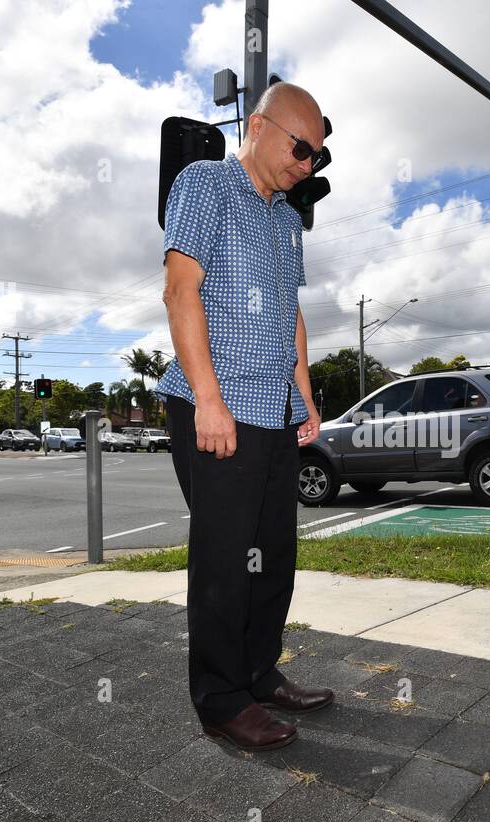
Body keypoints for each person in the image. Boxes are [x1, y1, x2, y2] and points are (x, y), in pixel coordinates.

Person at [154, 82, 333, 752]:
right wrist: (207, 398)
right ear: (258, 126)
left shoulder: (288, 218)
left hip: (275, 410)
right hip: (218, 404)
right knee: (226, 560)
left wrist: (306, 395)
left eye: (317, 155)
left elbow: (291, 314)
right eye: (300, 148)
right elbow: (181, 289)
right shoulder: (205, 184)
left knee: (272, 557)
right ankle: (221, 698)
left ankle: (259, 672)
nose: (307, 164)